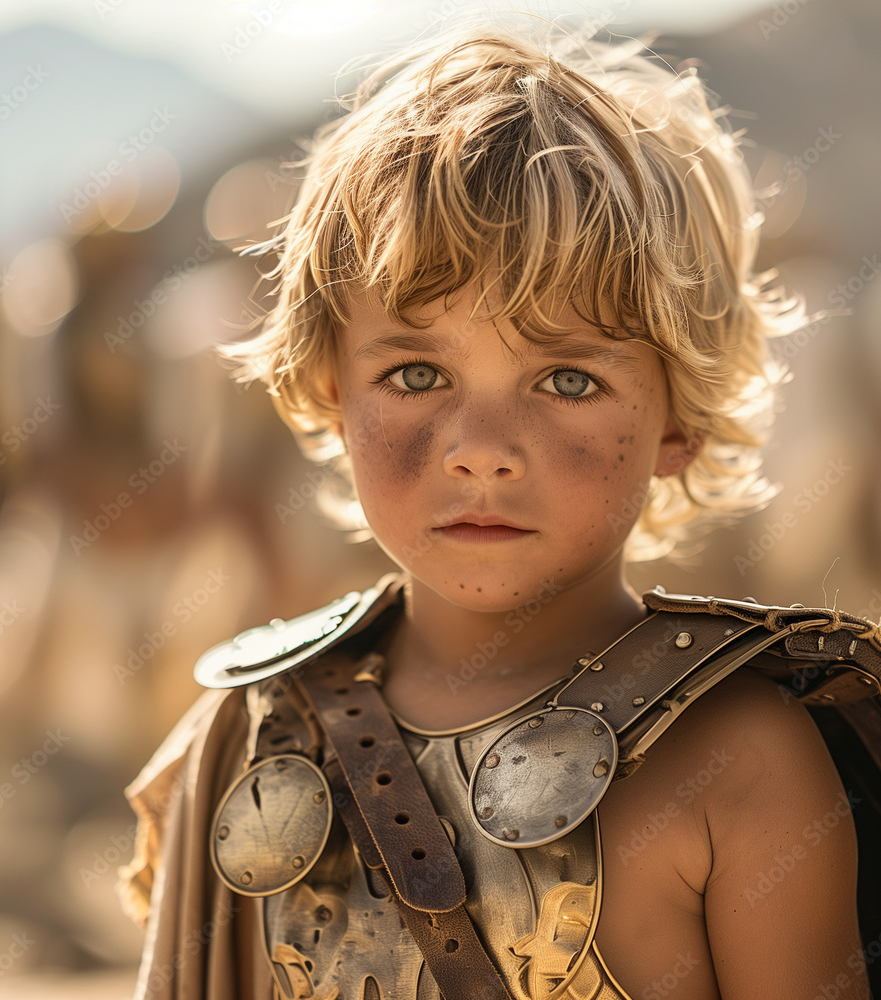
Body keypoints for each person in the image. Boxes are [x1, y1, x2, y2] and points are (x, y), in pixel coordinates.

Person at [118, 15, 880, 1000]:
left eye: (565, 380)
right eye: (417, 370)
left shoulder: (739, 761)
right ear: (326, 390)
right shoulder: (248, 732)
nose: (480, 449)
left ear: (677, 420)